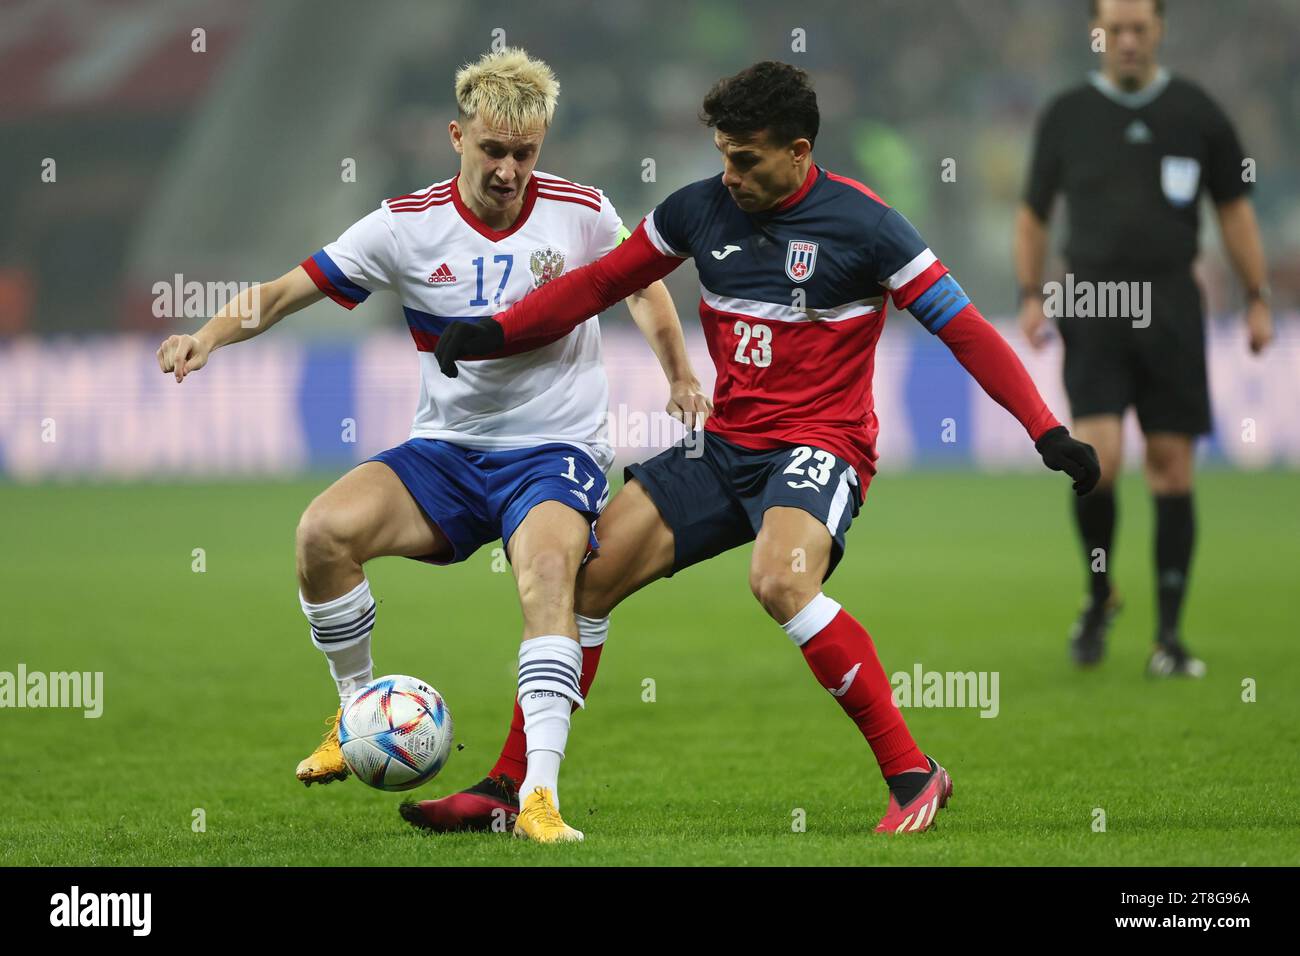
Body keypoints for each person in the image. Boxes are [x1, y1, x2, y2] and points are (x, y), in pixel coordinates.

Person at [412, 61, 1099, 836]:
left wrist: (1044, 428)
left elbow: (964, 329)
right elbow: (601, 284)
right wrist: (498, 332)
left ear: (799, 152)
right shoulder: (700, 210)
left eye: (747, 159)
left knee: (779, 580)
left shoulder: (868, 226)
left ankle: (914, 774)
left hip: (822, 445)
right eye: (722, 155)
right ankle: (513, 785)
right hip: (726, 444)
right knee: (581, 584)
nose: (728, 175)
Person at [155, 48, 708, 843]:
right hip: (446, 451)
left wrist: (681, 374)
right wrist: (207, 335)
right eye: (493, 150)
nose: (509, 168)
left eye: (525, 152)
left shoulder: (583, 211)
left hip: (554, 448)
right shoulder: (404, 225)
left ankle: (539, 799)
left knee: (550, 576)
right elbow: (284, 292)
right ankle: (356, 716)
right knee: (323, 534)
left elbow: (646, 287)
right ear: (457, 136)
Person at [1014, 0, 1273, 675]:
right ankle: (1101, 594)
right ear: (1098, 34)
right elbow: (1034, 214)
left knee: (1172, 466)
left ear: (1158, 30)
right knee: (1096, 465)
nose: (1126, 41)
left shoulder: (1196, 112)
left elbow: (1235, 210)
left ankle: (1169, 638)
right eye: (1114, 29)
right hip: (1092, 301)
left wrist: (1256, 296)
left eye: (1138, 28)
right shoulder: (1068, 114)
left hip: (1171, 305)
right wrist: (1030, 293)